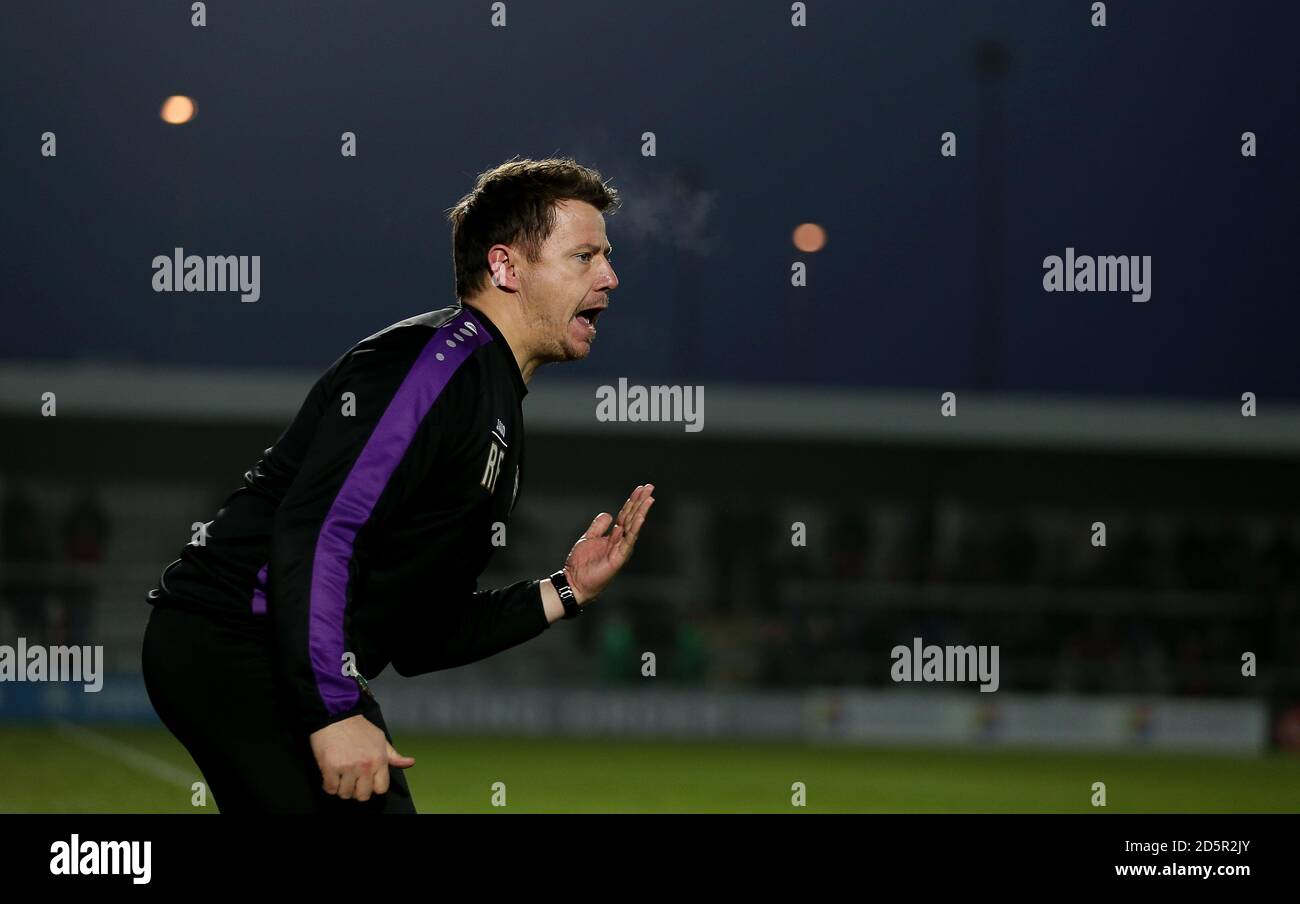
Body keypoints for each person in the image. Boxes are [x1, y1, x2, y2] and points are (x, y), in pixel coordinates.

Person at [141, 157, 656, 813]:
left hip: (284, 654)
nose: (610, 277)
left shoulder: (497, 405)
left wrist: (567, 590)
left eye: (605, 257)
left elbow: (419, 634)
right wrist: (330, 708)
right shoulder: (433, 365)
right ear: (505, 268)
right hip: (237, 639)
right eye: (585, 256)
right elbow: (322, 528)